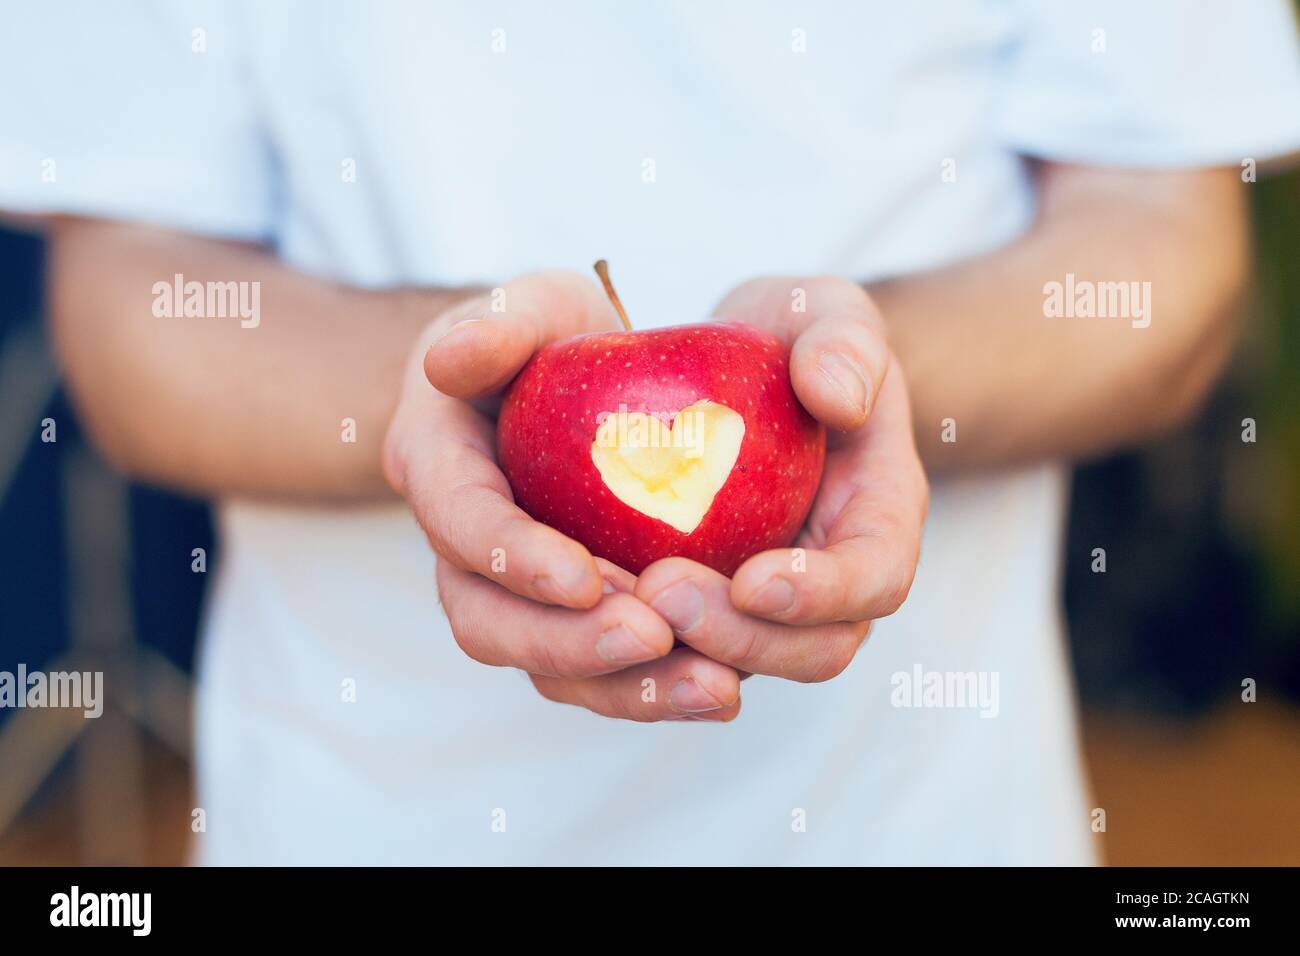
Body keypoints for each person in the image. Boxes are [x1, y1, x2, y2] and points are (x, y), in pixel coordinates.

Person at [3, 1, 1297, 865]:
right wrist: (464, 399)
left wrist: (851, 381)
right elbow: (136, 301)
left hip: (926, 824)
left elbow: (1159, 231)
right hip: (358, 822)